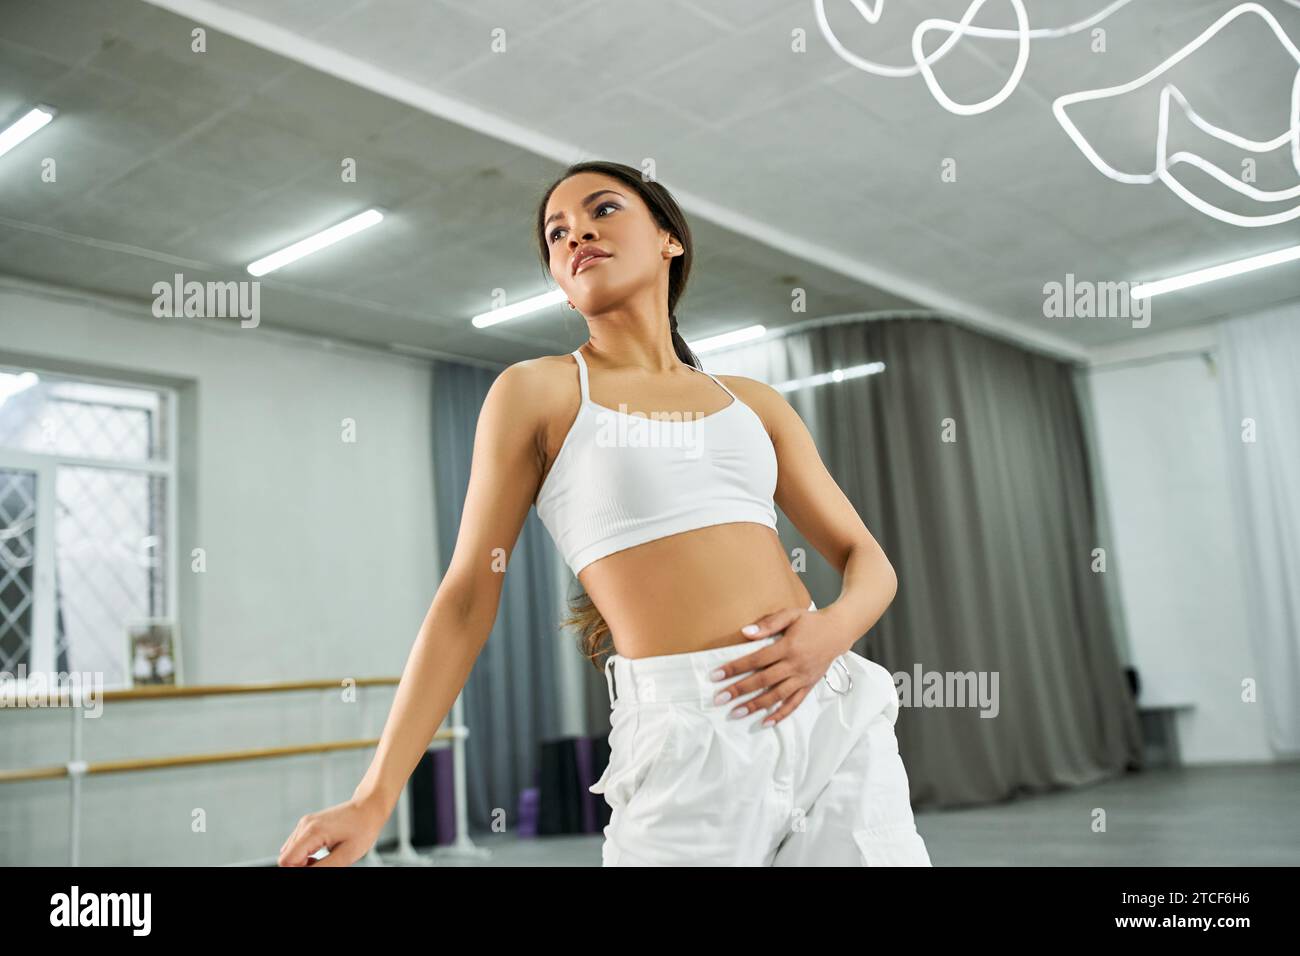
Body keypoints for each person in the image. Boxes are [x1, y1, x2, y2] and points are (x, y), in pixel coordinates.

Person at [278, 160, 930, 867]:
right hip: (688, 732)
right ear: (560, 280)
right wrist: (375, 797)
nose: (576, 233)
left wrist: (827, 634)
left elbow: (870, 563)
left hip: (830, 707)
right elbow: (467, 596)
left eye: (603, 210)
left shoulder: (755, 404)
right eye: (556, 234)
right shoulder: (537, 393)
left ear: (668, 239)